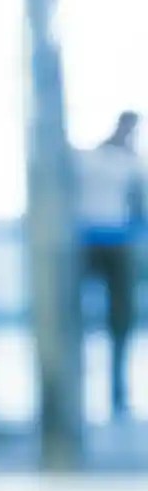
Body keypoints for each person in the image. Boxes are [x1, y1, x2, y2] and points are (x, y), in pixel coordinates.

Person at [77, 110, 144, 418]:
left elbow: (138, 205)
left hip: (119, 244)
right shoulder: (90, 160)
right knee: (74, 316)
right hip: (88, 243)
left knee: (121, 318)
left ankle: (118, 392)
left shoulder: (132, 164)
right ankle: (74, 386)